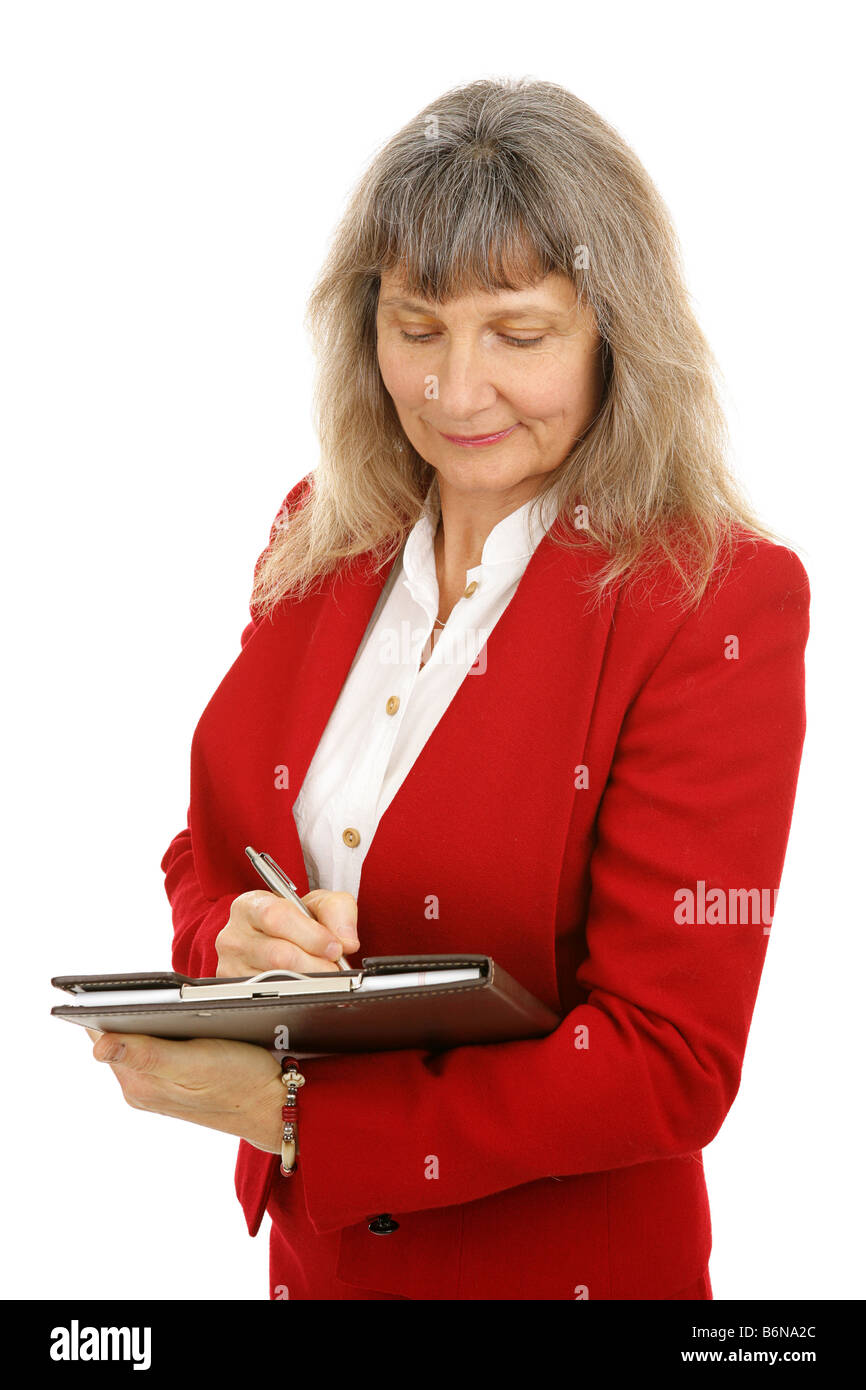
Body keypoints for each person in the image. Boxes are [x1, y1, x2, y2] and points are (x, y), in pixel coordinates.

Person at [88, 76, 809, 1300]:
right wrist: (234, 944)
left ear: (614, 334)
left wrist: (295, 1117)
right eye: (415, 328)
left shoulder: (711, 602)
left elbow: (669, 1059)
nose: (453, 391)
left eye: (517, 335)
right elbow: (207, 853)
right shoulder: (318, 536)